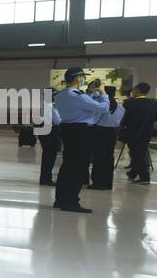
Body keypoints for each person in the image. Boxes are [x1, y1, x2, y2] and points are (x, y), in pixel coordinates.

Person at [51, 67, 107, 213]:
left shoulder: (61, 95)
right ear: (77, 78)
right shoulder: (78, 96)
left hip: (68, 130)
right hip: (81, 132)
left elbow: (81, 104)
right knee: (79, 168)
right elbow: (102, 109)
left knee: (68, 166)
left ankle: (61, 199)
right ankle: (71, 201)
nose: (84, 80)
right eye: (82, 77)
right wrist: (104, 95)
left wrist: (89, 93)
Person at [121, 82, 157, 185]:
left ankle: (144, 177)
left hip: (133, 131)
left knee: (136, 153)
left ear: (137, 91)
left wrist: (121, 129)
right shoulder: (153, 103)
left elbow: (124, 118)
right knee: (140, 152)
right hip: (147, 131)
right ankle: (133, 173)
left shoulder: (129, 103)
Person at [89, 83, 123, 190]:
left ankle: (98, 182)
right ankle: (108, 183)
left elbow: (95, 118)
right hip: (113, 132)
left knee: (98, 157)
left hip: (100, 131)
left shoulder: (103, 105)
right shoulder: (120, 106)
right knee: (109, 157)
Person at [38, 90, 62, 186]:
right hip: (50, 133)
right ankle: (46, 179)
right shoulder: (50, 107)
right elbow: (57, 121)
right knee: (49, 157)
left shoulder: (46, 106)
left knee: (48, 156)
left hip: (46, 133)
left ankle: (45, 178)